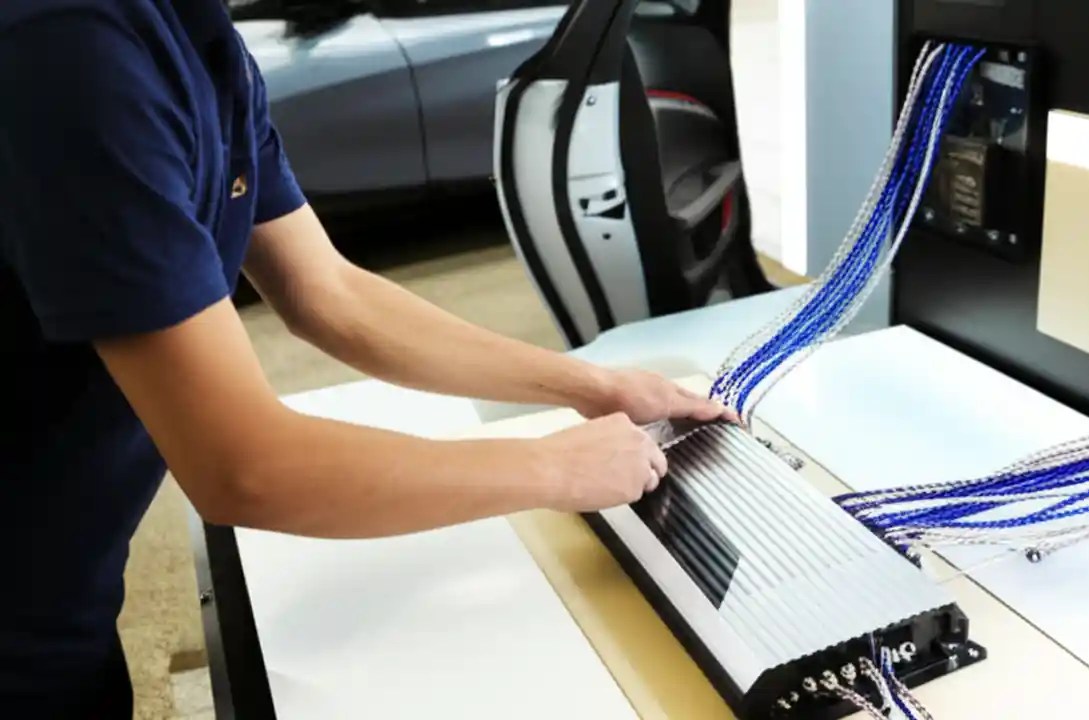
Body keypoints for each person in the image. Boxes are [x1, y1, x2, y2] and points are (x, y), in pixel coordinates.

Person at [0, 0, 732, 715]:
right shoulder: (71, 45)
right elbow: (244, 468)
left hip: (65, 594)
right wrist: (553, 468)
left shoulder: (200, 35)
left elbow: (329, 294)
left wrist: (591, 385)